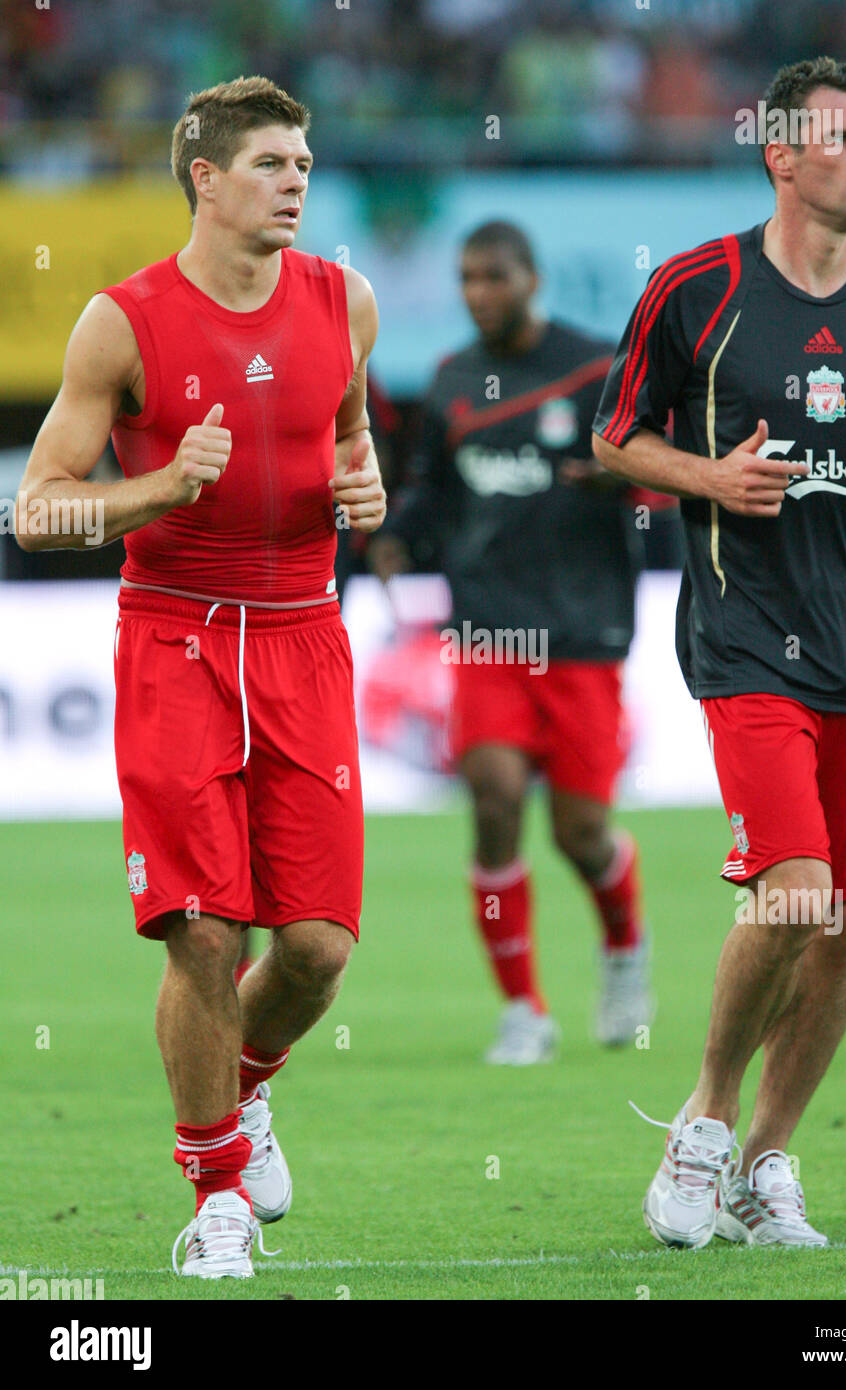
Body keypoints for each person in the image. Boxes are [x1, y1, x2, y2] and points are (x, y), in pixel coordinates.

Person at [593, 56, 846, 1249]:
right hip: (745, 634)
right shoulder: (695, 289)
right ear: (781, 154)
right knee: (796, 887)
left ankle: (767, 1159)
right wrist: (708, 476)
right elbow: (619, 439)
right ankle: (703, 1125)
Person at [15, 76, 386, 1278]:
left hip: (304, 639)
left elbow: (348, 435)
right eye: (272, 164)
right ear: (207, 179)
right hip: (175, 637)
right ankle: (216, 1190)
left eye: (305, 165)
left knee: (321, 949)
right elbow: (36, 512)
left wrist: (364, 486)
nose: (296, 183)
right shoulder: (121, 322)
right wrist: (155, 492)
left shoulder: (348, 302)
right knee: (207, 933)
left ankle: (243, 1086)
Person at [370, 221, 653, 1065]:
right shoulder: (454, 380)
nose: (477, 293)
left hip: (580, 632)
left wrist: (625, 474)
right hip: (488, 634)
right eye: (465, 278)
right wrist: (392, 541)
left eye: (492, 276)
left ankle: (622, 951)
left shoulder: (600, 370)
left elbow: (665, 473)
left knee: (580, 835)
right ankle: (522, 1009)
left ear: (531, 278)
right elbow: (432, 496)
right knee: (491, 801)